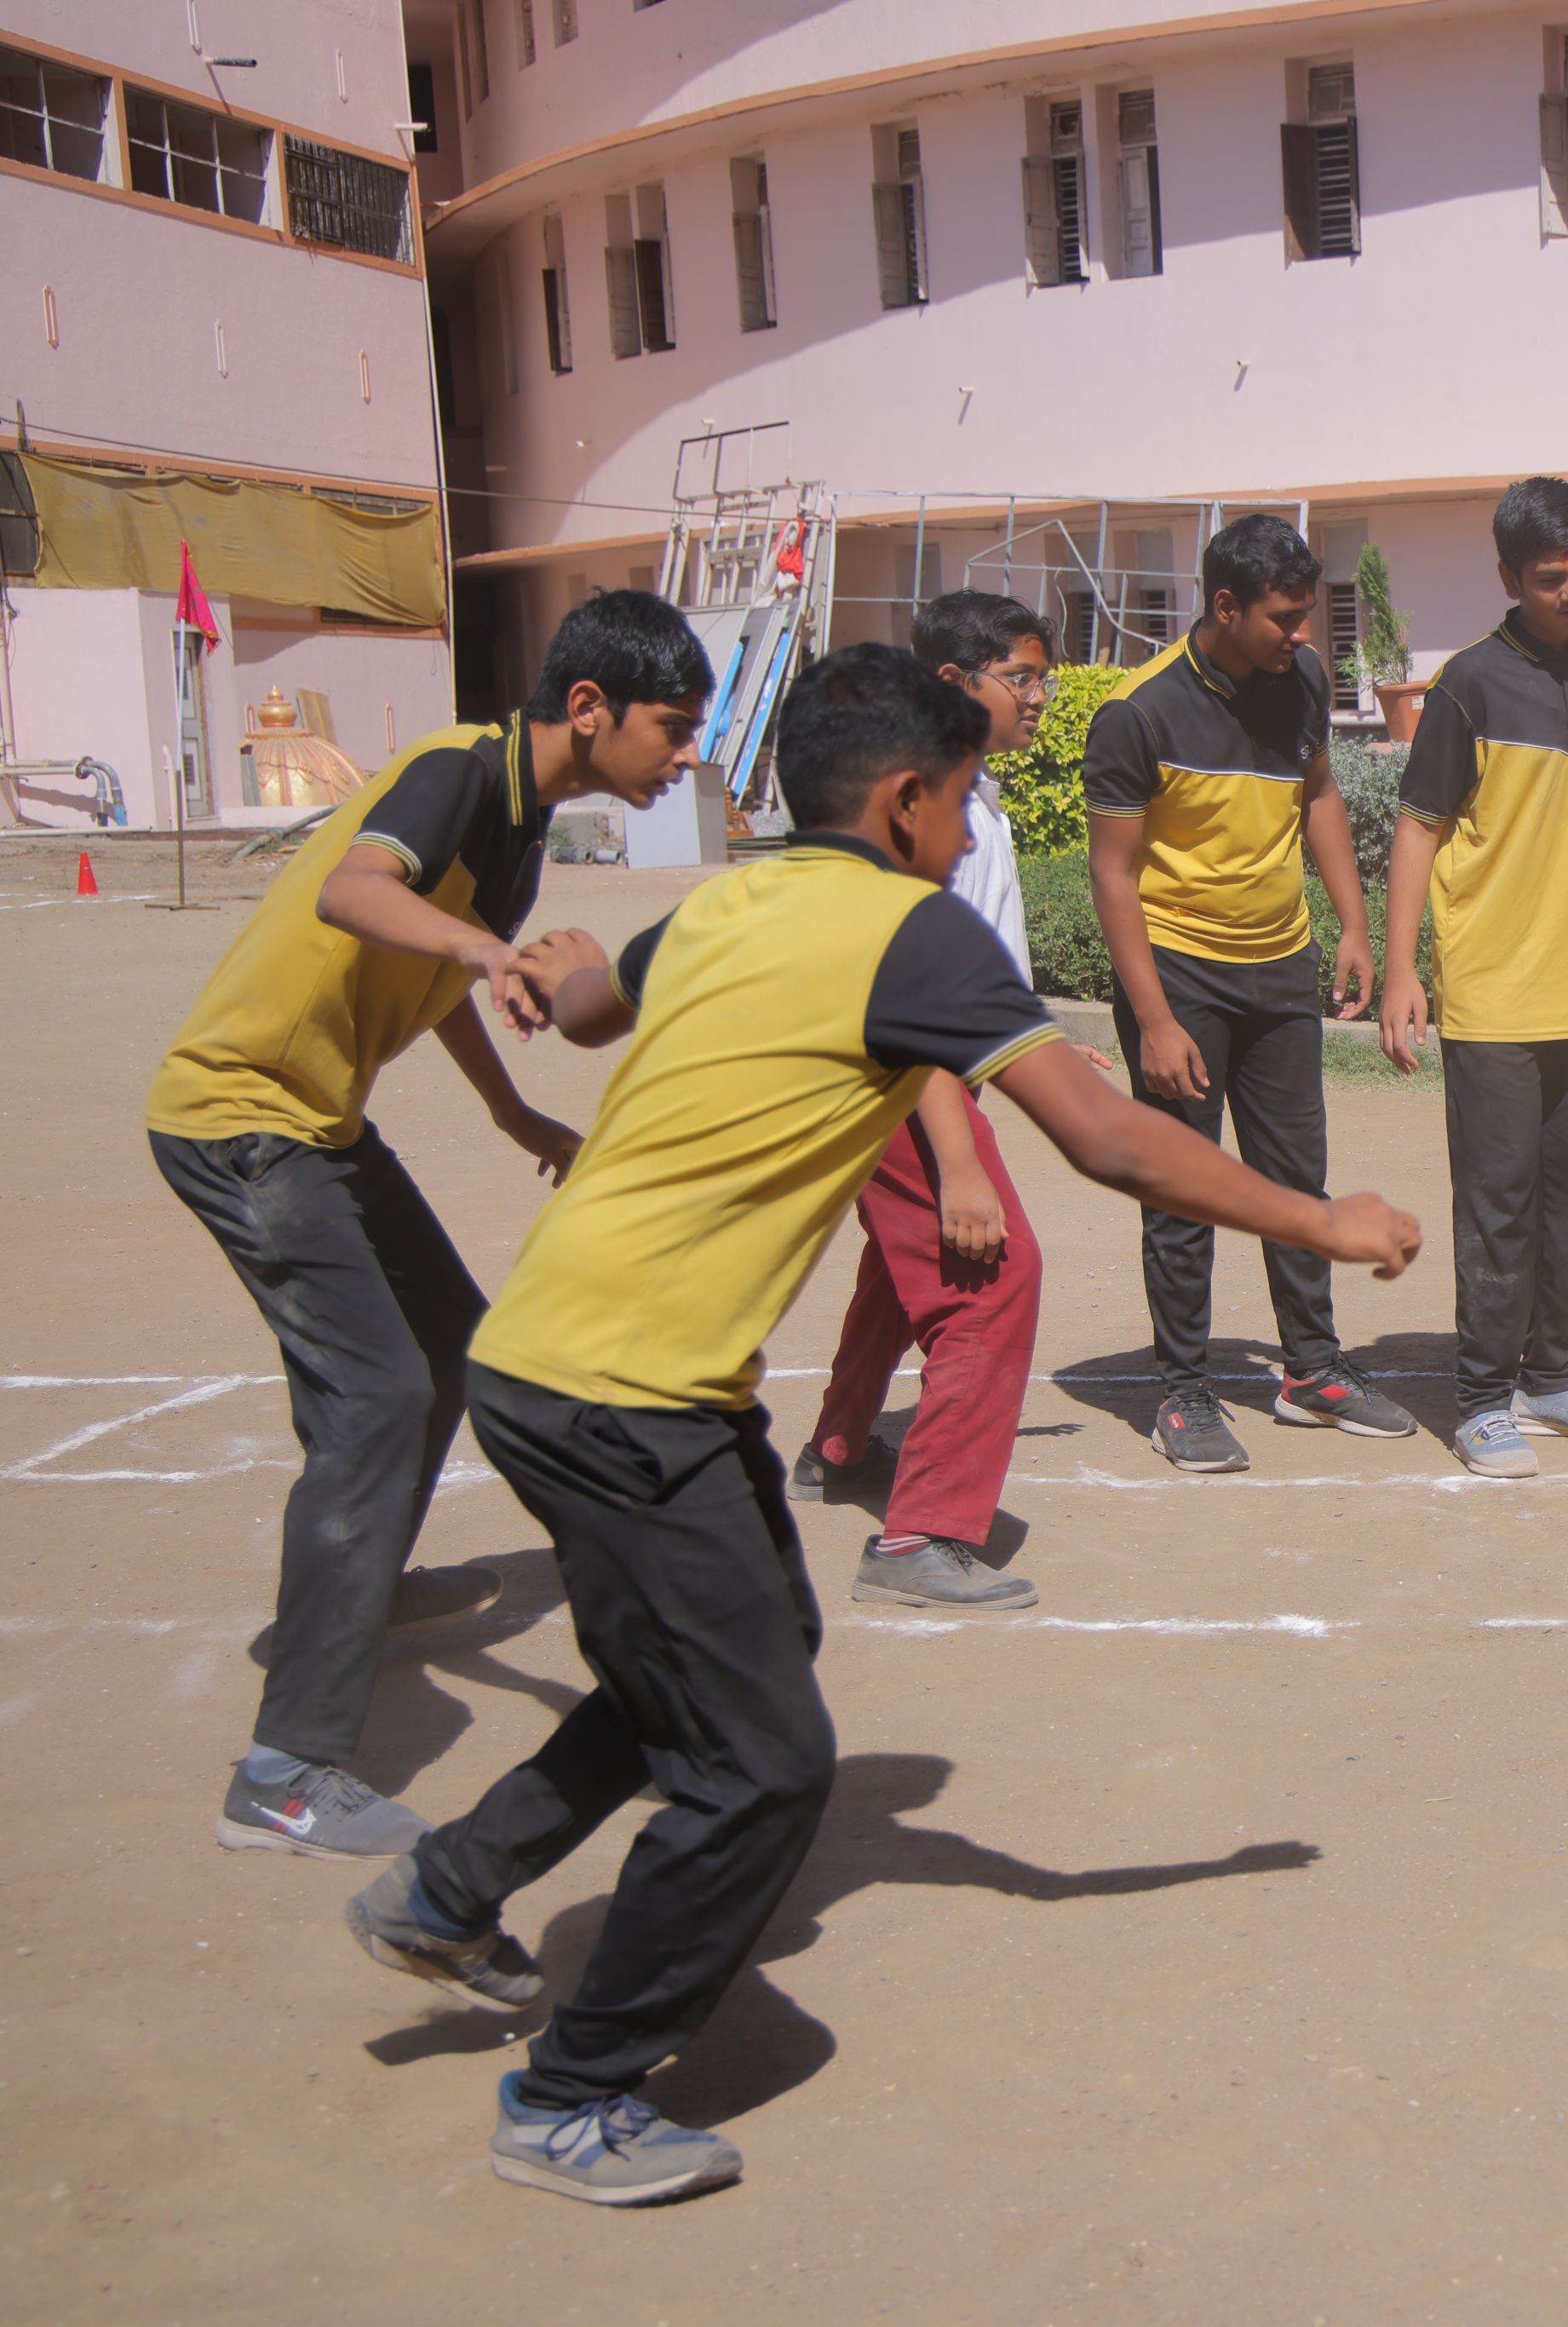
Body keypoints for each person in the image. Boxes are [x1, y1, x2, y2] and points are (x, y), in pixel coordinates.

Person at [340, 646, 1420, 2207]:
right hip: (617, 1395)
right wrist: (1320, 1221)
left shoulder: (727, 903)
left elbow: (583, 1011)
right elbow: (1109, 1134)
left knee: (733, 1655)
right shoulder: (911, 931)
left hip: (588, 1365)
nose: (971, 818)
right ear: (910, 802)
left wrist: (562, 963)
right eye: (970, 792)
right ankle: (571, 2090)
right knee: (766, 1764)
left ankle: (448, 1889)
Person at [146, 590, 712, 1862]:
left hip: (318, 1121)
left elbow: (448, 971)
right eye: (672, 728)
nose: (686, 756)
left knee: (450, 1340)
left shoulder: (517, 829)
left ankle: (362, 1585)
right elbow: (358, 895)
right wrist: (481, 951)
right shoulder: (454, 766)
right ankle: (285, 1774)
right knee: (380, 1397)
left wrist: (517, 1116)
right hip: (239, 1117)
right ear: (587, 707)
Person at [1083, 514, 1408, 1474]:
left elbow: (1318, 795)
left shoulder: (1299, 679)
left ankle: (1311, 1369)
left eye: (1306, 614)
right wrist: (1150, 1018)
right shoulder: (1136, 713)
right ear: (1223, 607)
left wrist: (1351, 924)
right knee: (1181, 1190)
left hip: (1279, 968)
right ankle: (1182, 1390)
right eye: (1282, 616)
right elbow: (1112, 872)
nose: (1302, 634)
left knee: (1293, 1179)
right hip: (1179, 976)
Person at [1377, 477, 1568, 1478]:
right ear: (1509, 578)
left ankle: (1548, 1378)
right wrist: (1400, 970)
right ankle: (1479, 1397)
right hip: (1493, 995)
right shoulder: (1469, 682)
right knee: (1498, 1202)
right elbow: (1417, 828)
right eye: (1550, 577)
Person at [798, 590, 1080, 1608]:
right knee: (992, 1275)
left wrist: (1040, 1046)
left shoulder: (975, 792)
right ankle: (921, 1534)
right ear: (955, 684)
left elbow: (972, 966)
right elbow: (900, 985)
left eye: (1044, 673)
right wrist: (959, 1161)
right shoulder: (923, 805)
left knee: (903, 1260)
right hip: (898, 1075)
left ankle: (838, 1442)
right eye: (1024, 674)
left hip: (922, 1069)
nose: (1043, 693)